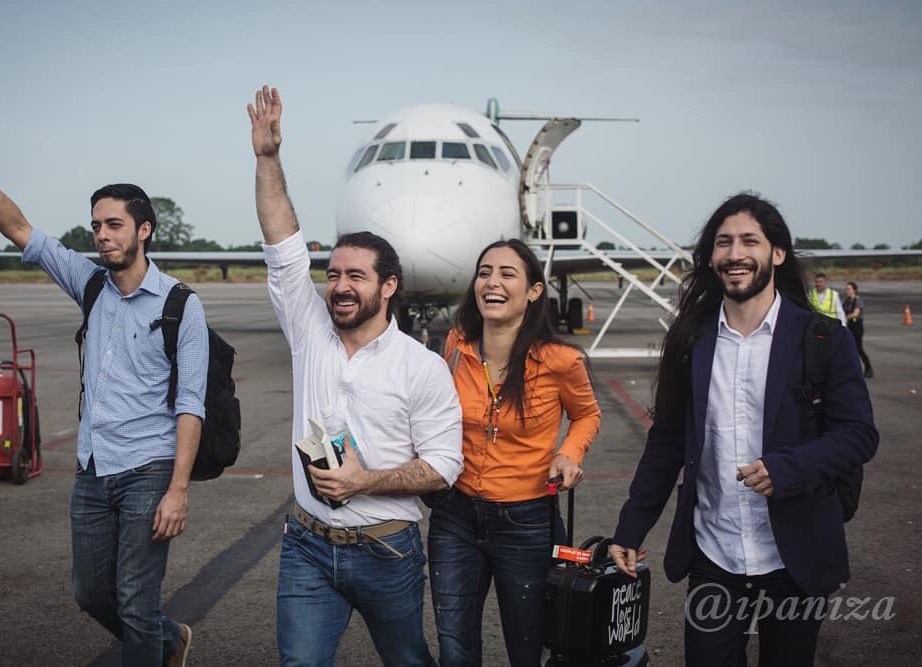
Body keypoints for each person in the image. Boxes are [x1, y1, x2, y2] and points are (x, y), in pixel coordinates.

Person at [0, 105, 205, 665]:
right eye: (96, 226)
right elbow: (18, 228)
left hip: (149, 468)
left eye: (113, 226)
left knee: (134, 601)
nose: (102, 237)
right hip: (91, 467)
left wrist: (178, 489)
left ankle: (152, 641)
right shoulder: (89, 284)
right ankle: (168, 639)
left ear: (144, 230)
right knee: (89, 593)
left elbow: (191, 404)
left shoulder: (181, 304)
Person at [609, 193, 878, 665]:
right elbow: (667, 441)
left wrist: (788, 468)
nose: (735, 254)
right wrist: (629, 528)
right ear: (711, 258)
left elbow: (859, 434)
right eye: (723, 243)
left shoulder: (823, 338)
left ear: (776, 253)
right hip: (715, 555)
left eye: (749, 241)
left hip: (794, 557)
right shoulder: (690, 341)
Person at [248, 85, 463, 666]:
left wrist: (363, 481)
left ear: (388, 286)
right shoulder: (309, 331)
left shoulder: (422, 366)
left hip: (386, 550)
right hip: (307, 547)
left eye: (357, 277)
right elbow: (283, 246)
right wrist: (268, 160)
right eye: (335, 273)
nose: (340, 286)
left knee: (408, 661)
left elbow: (444, 466)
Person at [427, 239, 602, 666]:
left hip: (525, 523)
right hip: (455, 516)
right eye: (485, 272)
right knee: (455, 649)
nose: (492, 282)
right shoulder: (454, 347)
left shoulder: (561, 360)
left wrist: (570, 453)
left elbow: (587, 415)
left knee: (528, 651)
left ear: (534, 291)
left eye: (508, 274)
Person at [843, 281, 874, 378]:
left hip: (857, 327)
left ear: (854, 290)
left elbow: (855, 314)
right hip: (850, 327)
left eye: (848, 289)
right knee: (849, 349)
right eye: (846, 289)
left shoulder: (858, 300)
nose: (846, 291)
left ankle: (869, 368)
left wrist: (844, 318)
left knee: (859, 349)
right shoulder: (847, 301)